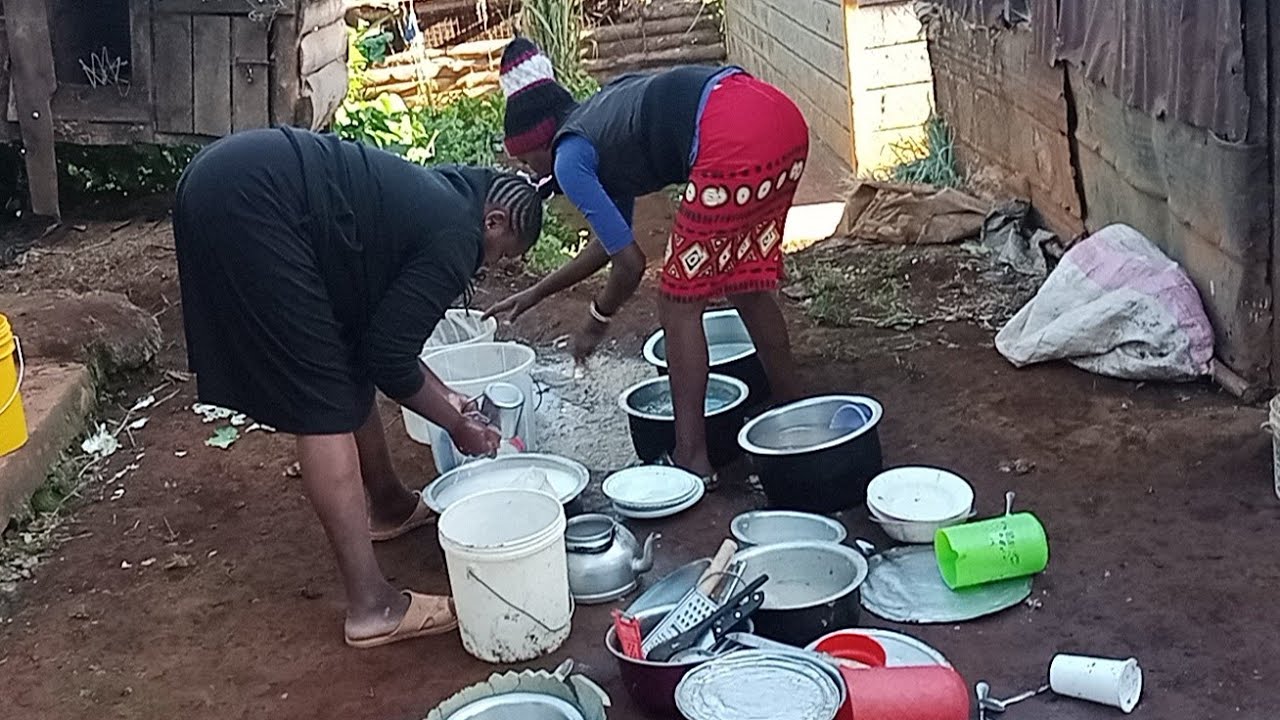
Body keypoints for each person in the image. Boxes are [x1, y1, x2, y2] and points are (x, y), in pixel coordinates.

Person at [173, 126, 544, 648]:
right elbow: (390, 359)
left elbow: (376, 338)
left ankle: (389, 504)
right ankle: (373, 606)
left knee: (342, 355)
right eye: (504, 253)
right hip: (252, 202)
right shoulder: (458, 238)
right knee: (321, 402)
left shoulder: (447, 195)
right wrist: (456, 423)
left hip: (233, 181)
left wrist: (445, 395)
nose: (495, 266)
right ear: (495, 220)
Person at [487, 38, 808, 483]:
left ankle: (692, 460)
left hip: (731, 136)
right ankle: (795, 409)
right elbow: (609, 244)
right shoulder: (596, 124)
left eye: (526, 159)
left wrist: (595, 323)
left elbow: (631, 264)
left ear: (541, 143)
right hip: (778, 117)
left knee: (678, 303)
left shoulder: (568, 158)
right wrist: (537, 292)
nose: (534, 173)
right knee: (745, 281)